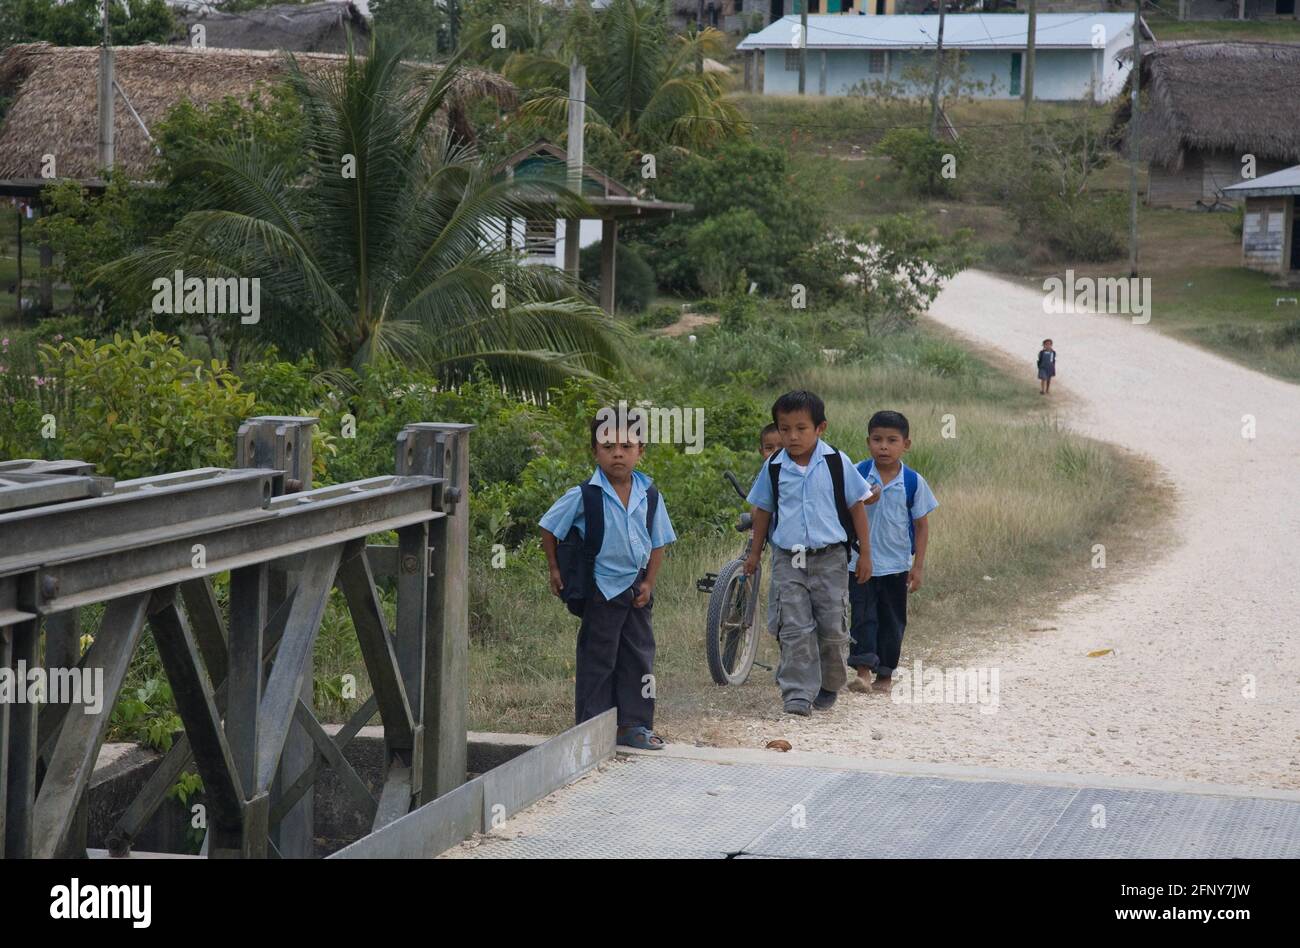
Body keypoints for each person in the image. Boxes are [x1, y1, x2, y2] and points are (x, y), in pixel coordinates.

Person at [539, 409, 676, 749]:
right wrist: (555, 570)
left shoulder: (650, 495)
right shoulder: (585, 495)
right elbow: (548, 527)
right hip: (601, 588)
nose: (618, 452)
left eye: (626, 445)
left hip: (636, 590)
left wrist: (649, 583)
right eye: (608, 445)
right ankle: (592, 729)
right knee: (598, 659)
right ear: (595, 451)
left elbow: (658, 542)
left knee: (639, 657)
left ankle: (634, 725)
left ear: (640, 451)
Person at [743, 391, 872, 716]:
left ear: (820, 428)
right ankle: (797, 693)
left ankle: (829, 683)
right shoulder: (774, 466)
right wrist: (755, 554)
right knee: (794, 626)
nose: (792, 436)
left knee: (831, 626)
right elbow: (762, 511)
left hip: (830, 558)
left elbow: (857, 508)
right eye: (785, 429)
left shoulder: (835, 462)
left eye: (801, 428)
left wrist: (866, 556)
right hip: (789, 558)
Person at [847, 410, 938, 694]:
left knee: (892, 619)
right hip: (860, 562)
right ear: (867, 442)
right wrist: (864, 499)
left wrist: (918, 566)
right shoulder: (857, 474)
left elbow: (921, 526)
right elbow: (842, 511)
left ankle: (885, 675)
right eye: (877, 440)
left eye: (891, 440)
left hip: (897, 564)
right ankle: (862, 672)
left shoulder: (913, 482)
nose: (883, 447)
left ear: (906, 445)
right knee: (863, 616)